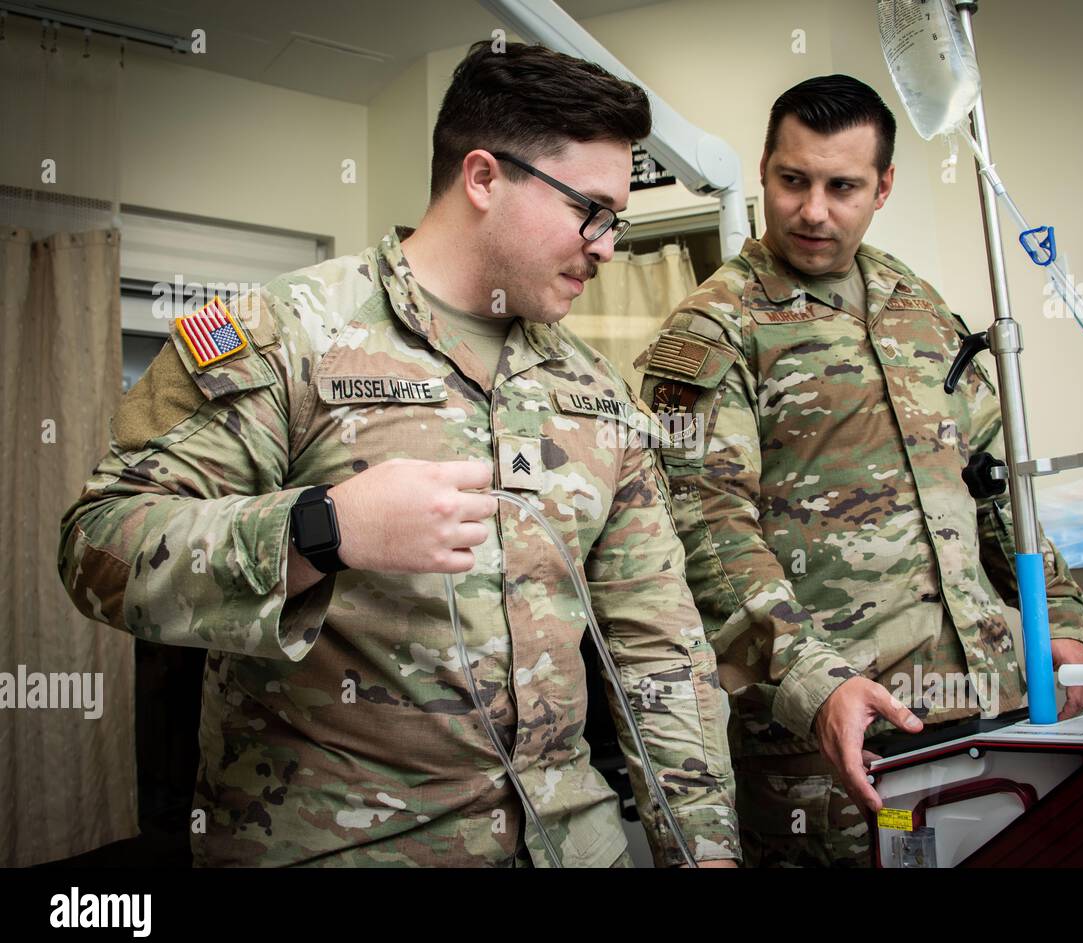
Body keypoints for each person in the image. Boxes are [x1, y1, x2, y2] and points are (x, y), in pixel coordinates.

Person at [58, 40, 739, 868]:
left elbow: (658, 642)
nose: (606, 246)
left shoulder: (595, 389)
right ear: (483, 178)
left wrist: (705, 849)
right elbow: (100, 542)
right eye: (588, 210)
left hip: (574, 845)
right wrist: (322, 530)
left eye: (616, 220)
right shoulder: (290, 336)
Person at [636, 74, 1083, 867]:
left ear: (883, 187)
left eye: (842, 186)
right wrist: (815, 682)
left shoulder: (914, 302)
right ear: (766, 170)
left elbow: (988, 479)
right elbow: (705, 531)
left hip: (987, 710)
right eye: (792, 181)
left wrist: (1061, 617)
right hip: (835, 747)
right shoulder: (715, 328)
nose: (813, 210)